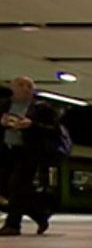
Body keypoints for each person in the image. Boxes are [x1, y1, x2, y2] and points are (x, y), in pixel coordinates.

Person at [0, 76, 58, 236]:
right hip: (5, 151)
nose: (25, 88)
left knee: (17, 186)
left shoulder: (42, 108)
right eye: (21, 85)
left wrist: (32, 125)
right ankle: (39, 214)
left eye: (29, 86)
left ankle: (12, 225)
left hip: (28, 153)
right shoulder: (3, 105)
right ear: (12, 87)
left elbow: (54, 131)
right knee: (6, 188)